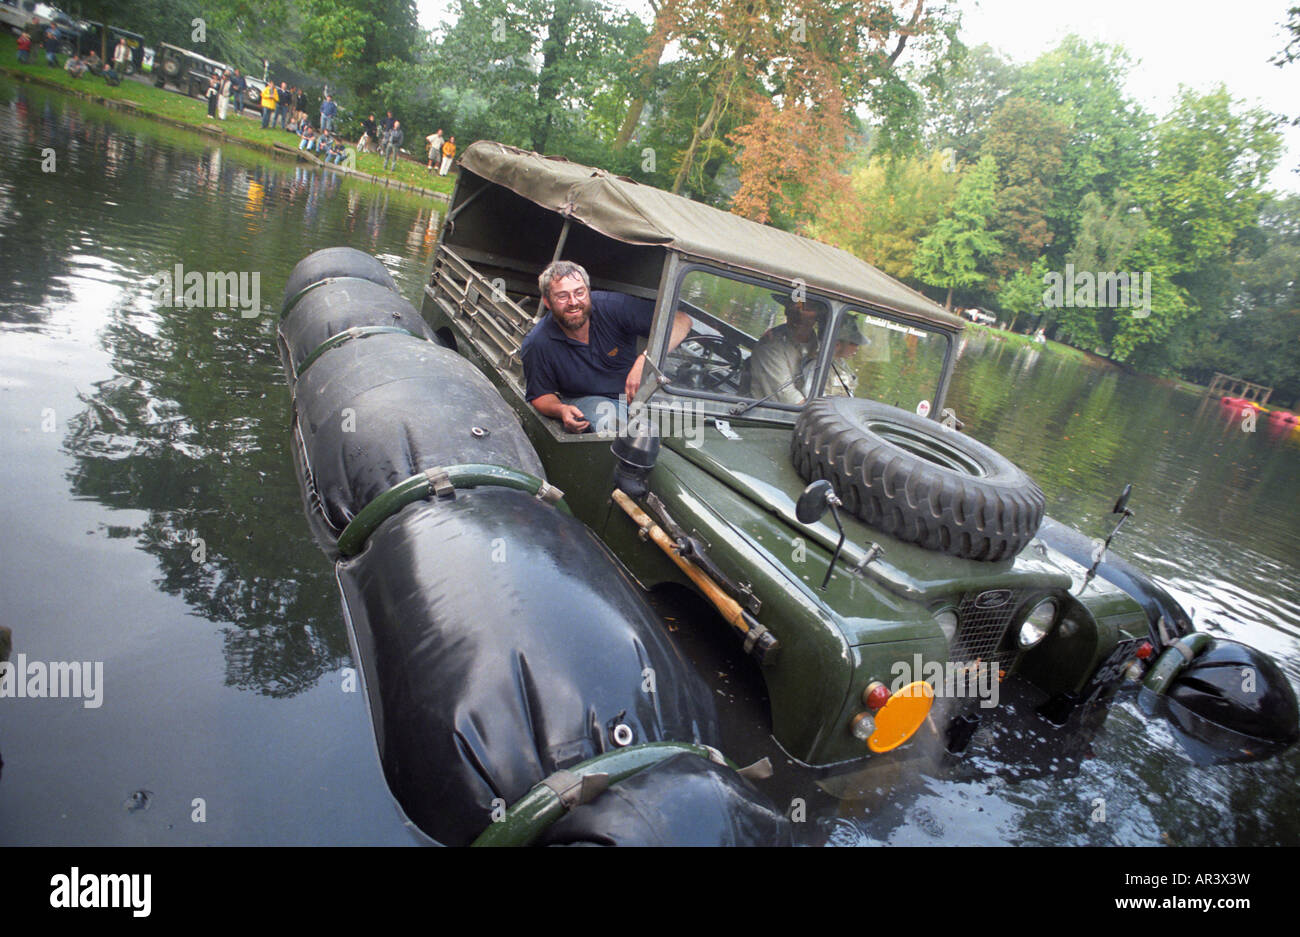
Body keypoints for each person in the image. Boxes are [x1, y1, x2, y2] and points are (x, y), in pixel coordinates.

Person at [521, 260, 692, 434]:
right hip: (589, 400)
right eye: (562, 296)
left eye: (579, 292)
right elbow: (540, 395)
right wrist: (561, 410)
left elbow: (681, 321)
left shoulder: (612, 306)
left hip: (638, 396)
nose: (573, 302)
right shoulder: (537, 343)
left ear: (588, 292)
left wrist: (646, 360)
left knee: (684, 427)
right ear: (547, 302)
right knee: (612, 425)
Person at [748, 294, 828, 405]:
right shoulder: (771, 346)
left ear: (817, 316)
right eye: (795, 308)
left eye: (808, 308)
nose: (800, 315)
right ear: (786, 311)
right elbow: (790, 399)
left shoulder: (824, 347)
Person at [823, 317, 868, 398]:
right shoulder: (820, 365)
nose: (857, 348)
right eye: (853, 343)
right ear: (837, 344)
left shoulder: (843, 366)